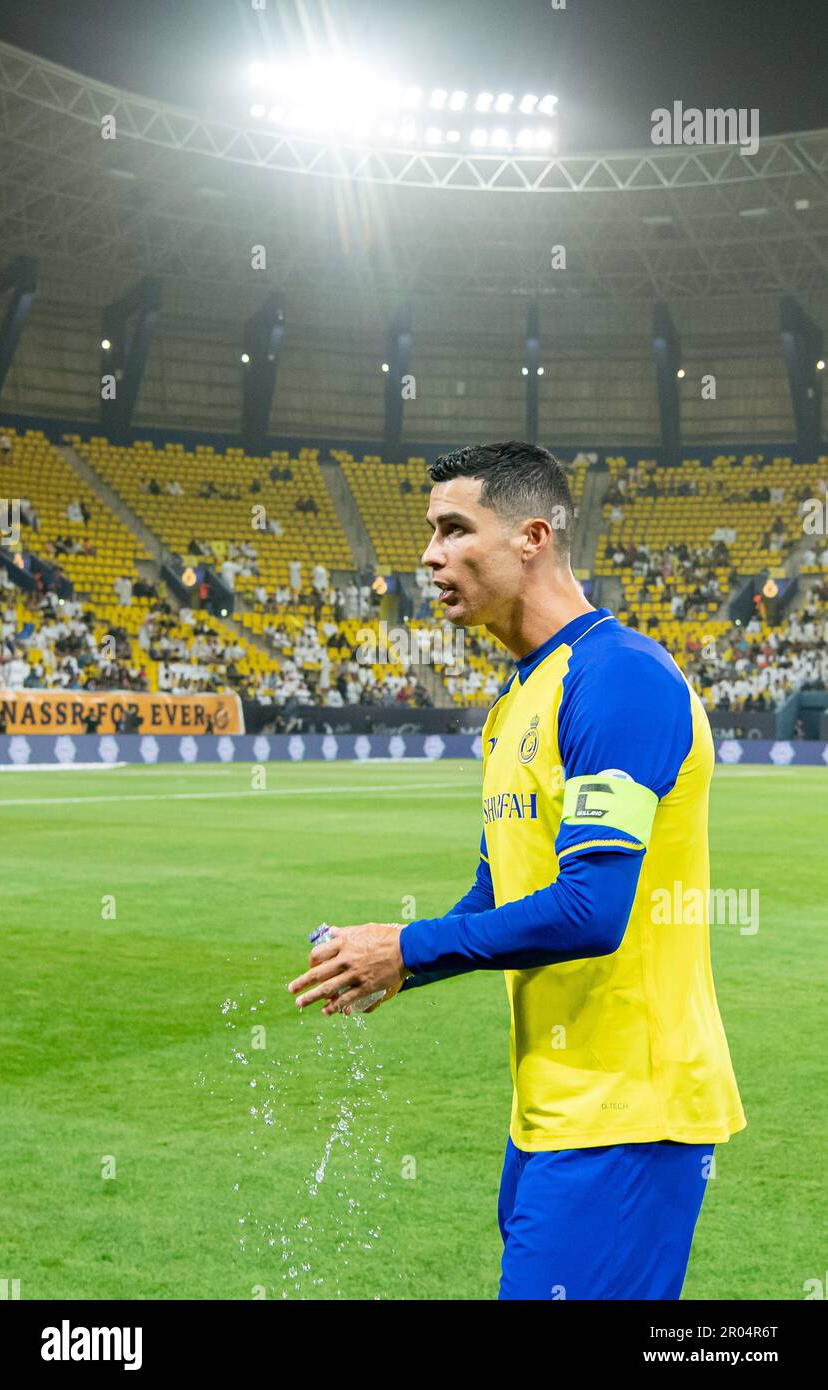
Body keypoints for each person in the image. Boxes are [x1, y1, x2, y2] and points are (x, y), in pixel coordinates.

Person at [287, 439, 746, 1302]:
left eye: (454, 530)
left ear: (531, 536)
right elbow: (502, 890)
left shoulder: (617, 679)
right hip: (550, 1109)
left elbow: (590, 910)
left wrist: (411, 946)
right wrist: (381, 965)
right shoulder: (516, 702)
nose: (428, 556)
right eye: (429, 532)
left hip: (630, 1113)